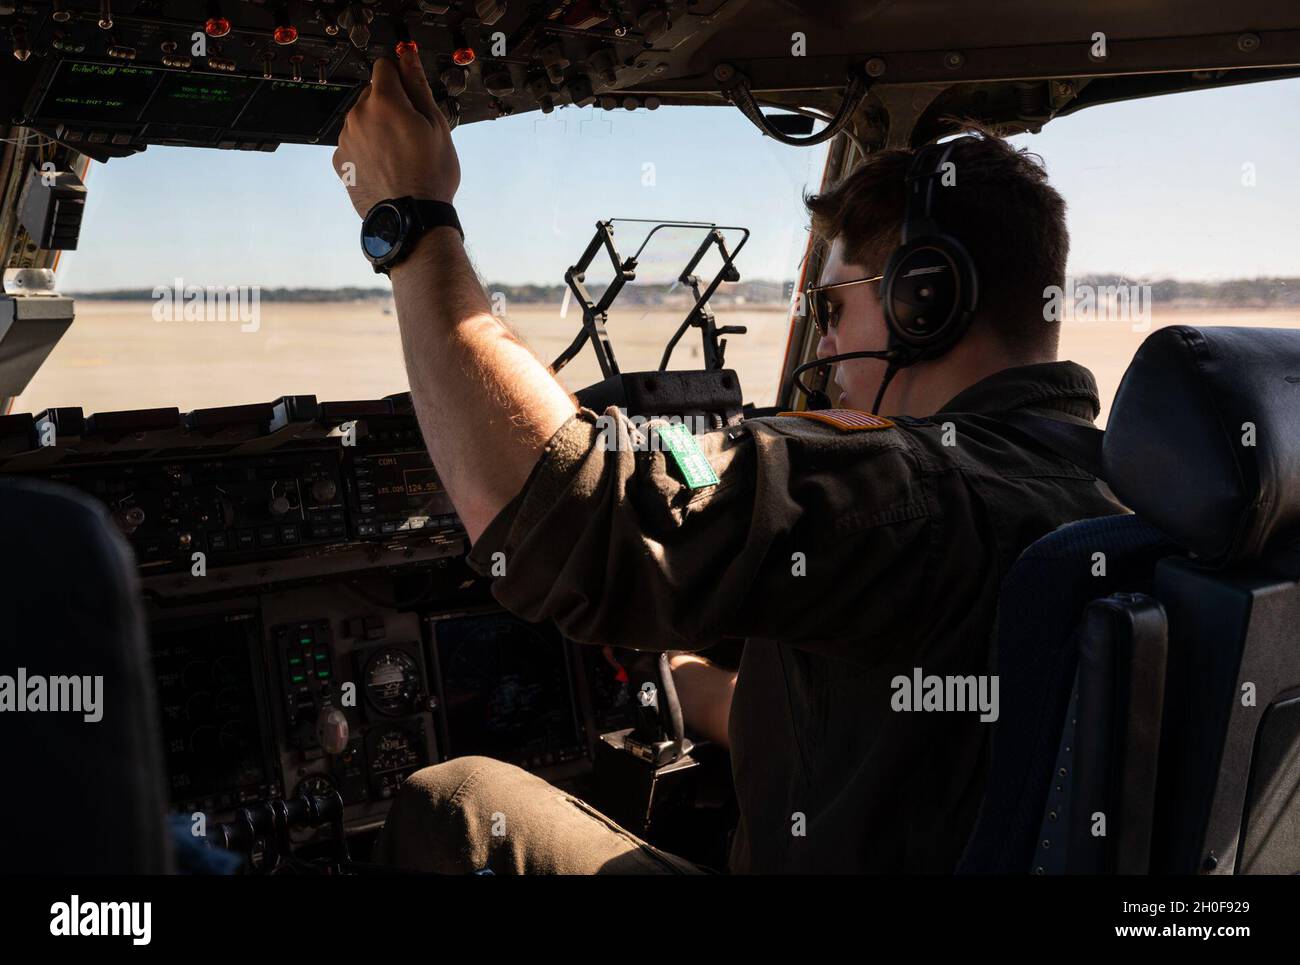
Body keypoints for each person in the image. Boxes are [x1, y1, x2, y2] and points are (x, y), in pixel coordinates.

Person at [331, 53, 1122, 874]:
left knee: (455, 806)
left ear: (924, 301)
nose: (823, 344)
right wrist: (707, 694)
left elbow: (561, 515)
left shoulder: (915, 488)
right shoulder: (1110, 496)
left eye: (832, 307)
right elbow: (912, 735)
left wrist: (413, 222)